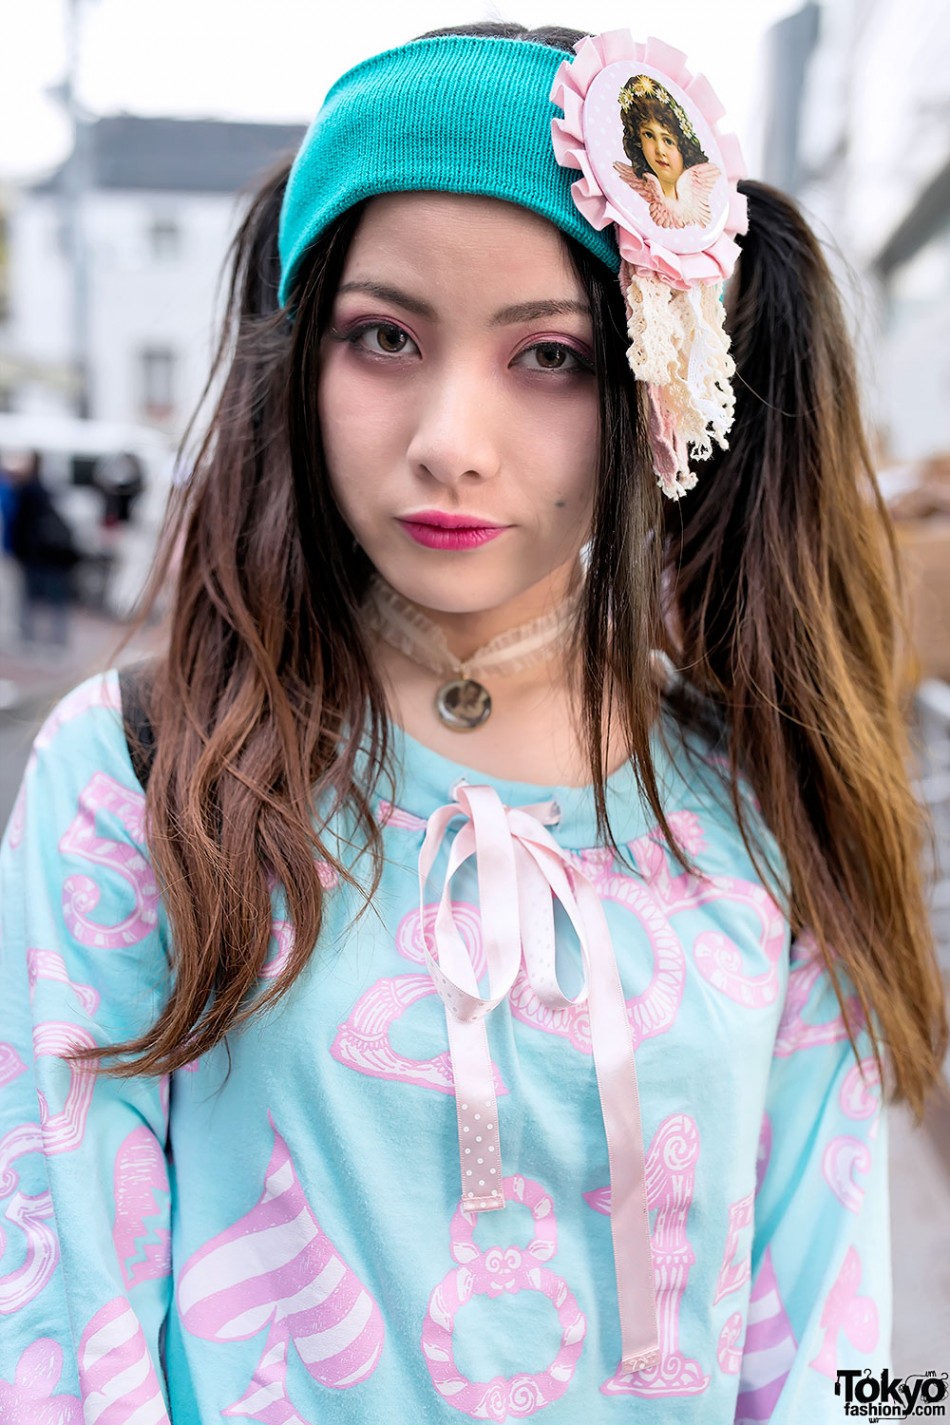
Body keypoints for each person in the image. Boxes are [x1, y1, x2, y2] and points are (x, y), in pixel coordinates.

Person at [0, 20, 945, 1424]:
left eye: (549, 355)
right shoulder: (143, 774)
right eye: (383, 337)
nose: (449, 435)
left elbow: (843, 1348)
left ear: (655, 375)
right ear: (300, 357)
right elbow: (68, 1317)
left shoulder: (758, 797)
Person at [613, 74, 721, 229]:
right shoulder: (646, 182)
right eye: (649, 135)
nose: (660, 150)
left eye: (668, 141)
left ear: (683, 146)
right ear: (638, 140)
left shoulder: (693, 181)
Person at [6, 449, 80, 648]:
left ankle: (30, 637)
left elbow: (19, 522)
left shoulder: (28, 489)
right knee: (54, 598)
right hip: (48, 553)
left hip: (36, 553)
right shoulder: (45, 488)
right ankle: (55, 640)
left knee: (31, 597)